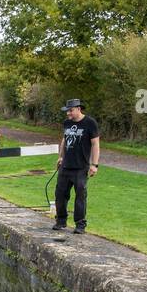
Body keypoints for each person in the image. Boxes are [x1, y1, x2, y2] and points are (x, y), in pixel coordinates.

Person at [53, 99, 100, 234]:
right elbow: (64, 139)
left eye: (70, 110)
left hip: (81, 167)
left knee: (80, 196)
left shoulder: (90, 123)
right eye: (67, 111)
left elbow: (95, 144)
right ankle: (61, 221)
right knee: (60, 194)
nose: (68, 113)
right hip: (66, 166)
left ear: (78, 109)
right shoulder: (67, 123)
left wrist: (94, 164)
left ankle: (80, 224)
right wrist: (61, 157)